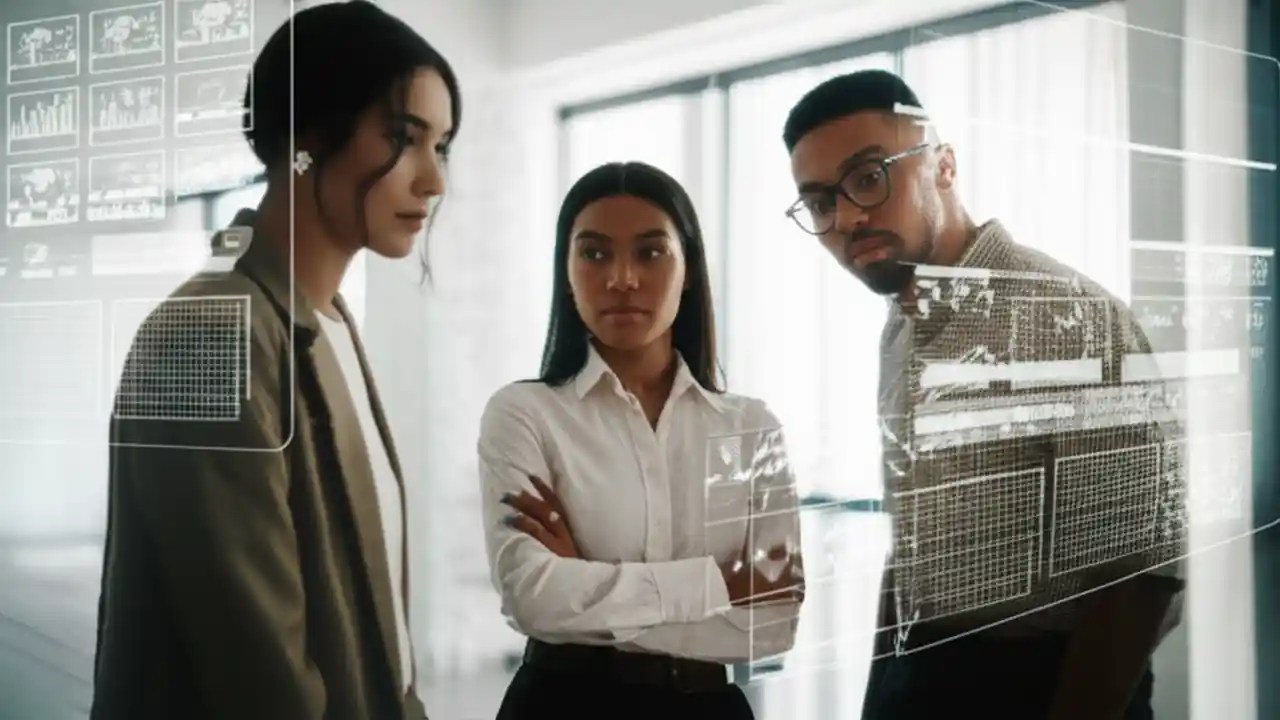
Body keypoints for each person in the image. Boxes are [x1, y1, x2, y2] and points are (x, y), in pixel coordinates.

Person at [90, 2, 460, 718]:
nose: (433, 180)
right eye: (403, 138)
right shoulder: (207, 337)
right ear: (307, 139)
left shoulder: (329, 322)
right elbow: (260, 679)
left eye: (441, 145)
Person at [782, 70, 1186, 720]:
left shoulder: (1069, 316)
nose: (849, 217)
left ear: (943, 166)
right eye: (821, 202)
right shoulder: (899, 330)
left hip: (1041, 687)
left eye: (868, 177)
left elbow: (1140, 577)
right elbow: (914, 546)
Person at [478, 162, 806, 719]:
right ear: (566, 271)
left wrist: (585, 589)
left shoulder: (750, 427)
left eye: (651, 252)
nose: (622, 278)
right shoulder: (524, 414)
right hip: (562, 705)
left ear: (690, 270)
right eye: (595, 253)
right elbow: (533, 597)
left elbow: (771, 624)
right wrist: (721, 581)